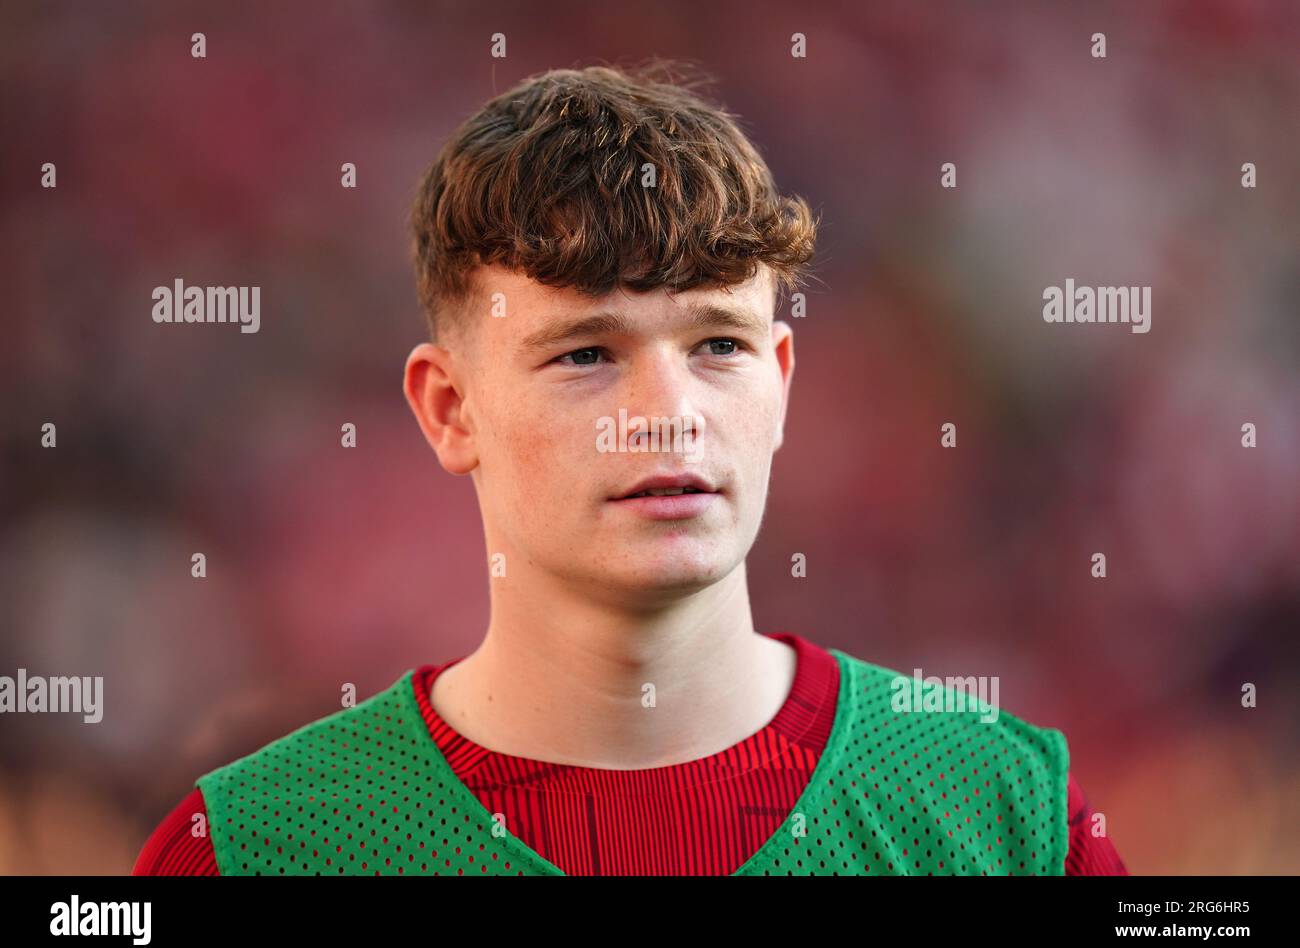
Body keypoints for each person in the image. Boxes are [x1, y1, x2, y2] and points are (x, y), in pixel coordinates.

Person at [134, 61, 1126, 876]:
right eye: (585, 354)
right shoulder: (253, 850)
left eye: (718, 345)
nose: (668, 415)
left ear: (779, 382)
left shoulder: (1006, 816)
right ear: (450, 407)